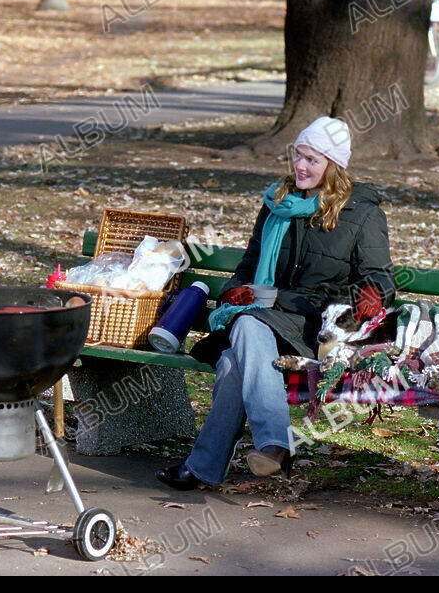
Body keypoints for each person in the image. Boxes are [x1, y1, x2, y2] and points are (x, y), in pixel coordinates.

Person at [156, 116, 395, 490]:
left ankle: (258, 448)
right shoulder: (276, 204)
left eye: (312, 160)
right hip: (265, 319)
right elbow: (248, 267)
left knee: (245, 336)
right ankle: (260, 451)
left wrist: (373, 293)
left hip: (311, 328)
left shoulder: (361, 214)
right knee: (238, 354)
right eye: (298, 156)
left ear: (333, 166)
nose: (300, 166)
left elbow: (380, 277)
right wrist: (234, 290)